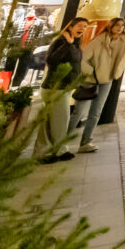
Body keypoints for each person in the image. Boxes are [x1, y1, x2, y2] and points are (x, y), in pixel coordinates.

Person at [73, 17, 125, 153]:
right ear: (110, 26)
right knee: (79, 112)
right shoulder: (99, 41)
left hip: (107, 80)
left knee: (96, 112)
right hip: (90, 80)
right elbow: (83, 59)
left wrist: (117, 72)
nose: (120, 28)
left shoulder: (123, 43)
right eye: (117, 25)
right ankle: (60, 142)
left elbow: (124, 59)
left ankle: (85, 142)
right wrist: (91, 73)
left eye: (122, 26)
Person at [35, 16, 89, 163]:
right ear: (70, 26)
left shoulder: (75, 43)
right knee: (60, 121)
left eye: (85, 27)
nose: (82, 29)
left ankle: (42, 153)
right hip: (55, 88)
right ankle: (60, 151)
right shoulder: (61, 41)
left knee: (48, 122)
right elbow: (51, 61)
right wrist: (68, 45)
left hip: (61, 88)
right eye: (80, 25)